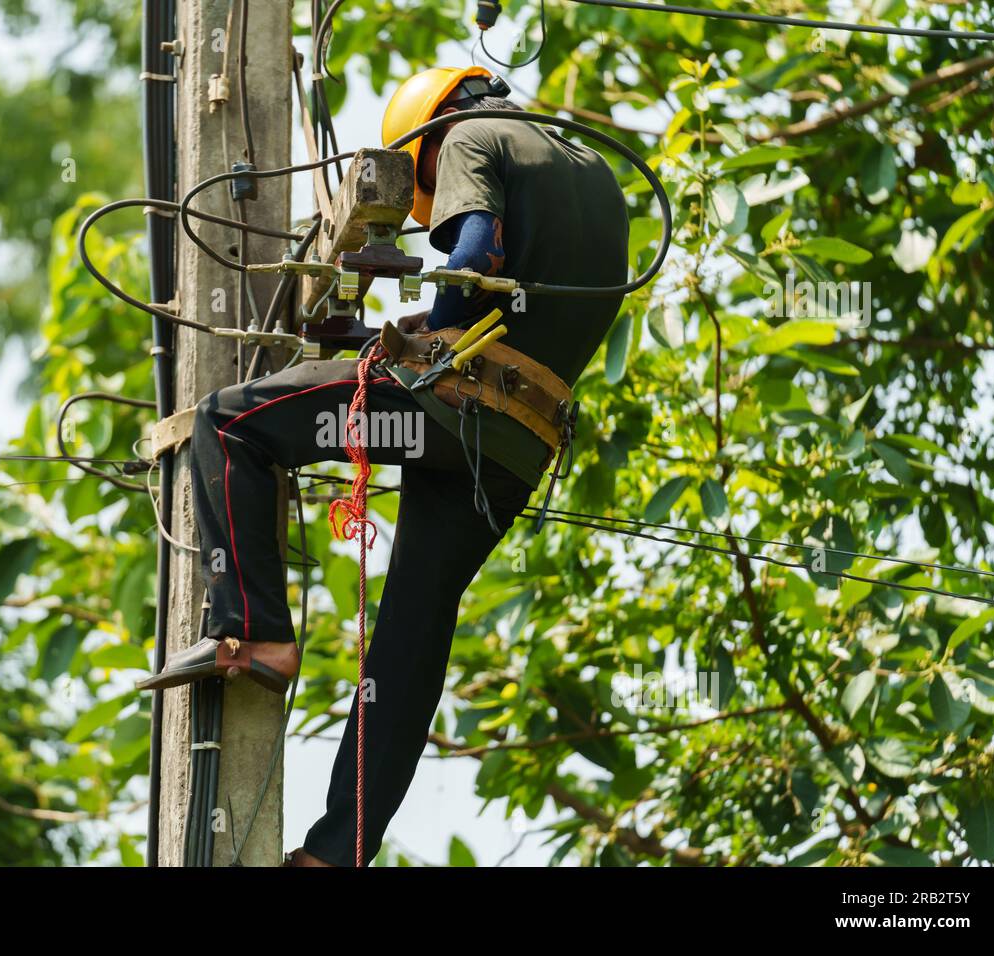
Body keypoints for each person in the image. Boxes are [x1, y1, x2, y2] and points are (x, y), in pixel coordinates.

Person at [140, 66, 630, 866]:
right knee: (409, 640)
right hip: (514, 450)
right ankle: (337, 853)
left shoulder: (470, 137)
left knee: (231, 424)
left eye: (423, 182)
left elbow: (474, 256)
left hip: (444, 413)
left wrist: (415, 335)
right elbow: (514, 301)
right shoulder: (593, 170)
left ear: (426, 138)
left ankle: (256, 634)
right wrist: (408, 332)